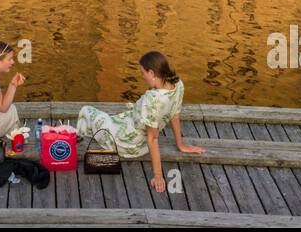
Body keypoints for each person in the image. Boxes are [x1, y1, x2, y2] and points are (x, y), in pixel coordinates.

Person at [76, 51, 205, 193]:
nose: (142, 76)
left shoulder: (152, 99)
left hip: (128, 142)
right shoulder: (178, 85)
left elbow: (153, 138)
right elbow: (175, 115)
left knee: (87, 111)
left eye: (143, 73)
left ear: (151, 73)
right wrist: (180, 145)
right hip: (142, 142)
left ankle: (78, 137)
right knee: (111, 118)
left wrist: (158, 176)